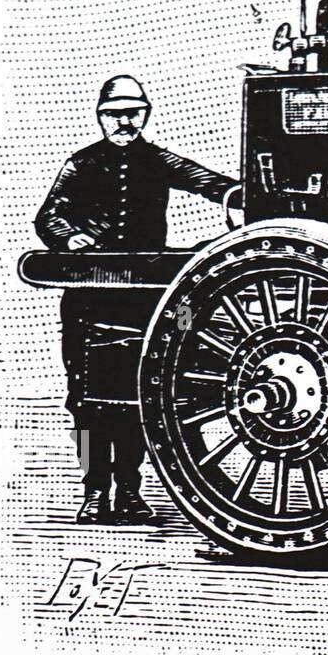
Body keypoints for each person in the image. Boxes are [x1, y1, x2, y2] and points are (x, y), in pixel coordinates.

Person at [36, 75, 238, 524]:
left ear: (144, 115)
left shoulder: (157, 161)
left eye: (133, 113)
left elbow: (207, 182)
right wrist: (70, 240)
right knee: (86, 403)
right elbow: (49, 216)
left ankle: (128, 493)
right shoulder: (82, 164)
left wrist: (239, 195)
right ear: (101, 117)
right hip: (91, 299)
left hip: (141, 301)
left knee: (138, 398)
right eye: (115, 114)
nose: (124, 122)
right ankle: (93, 494)